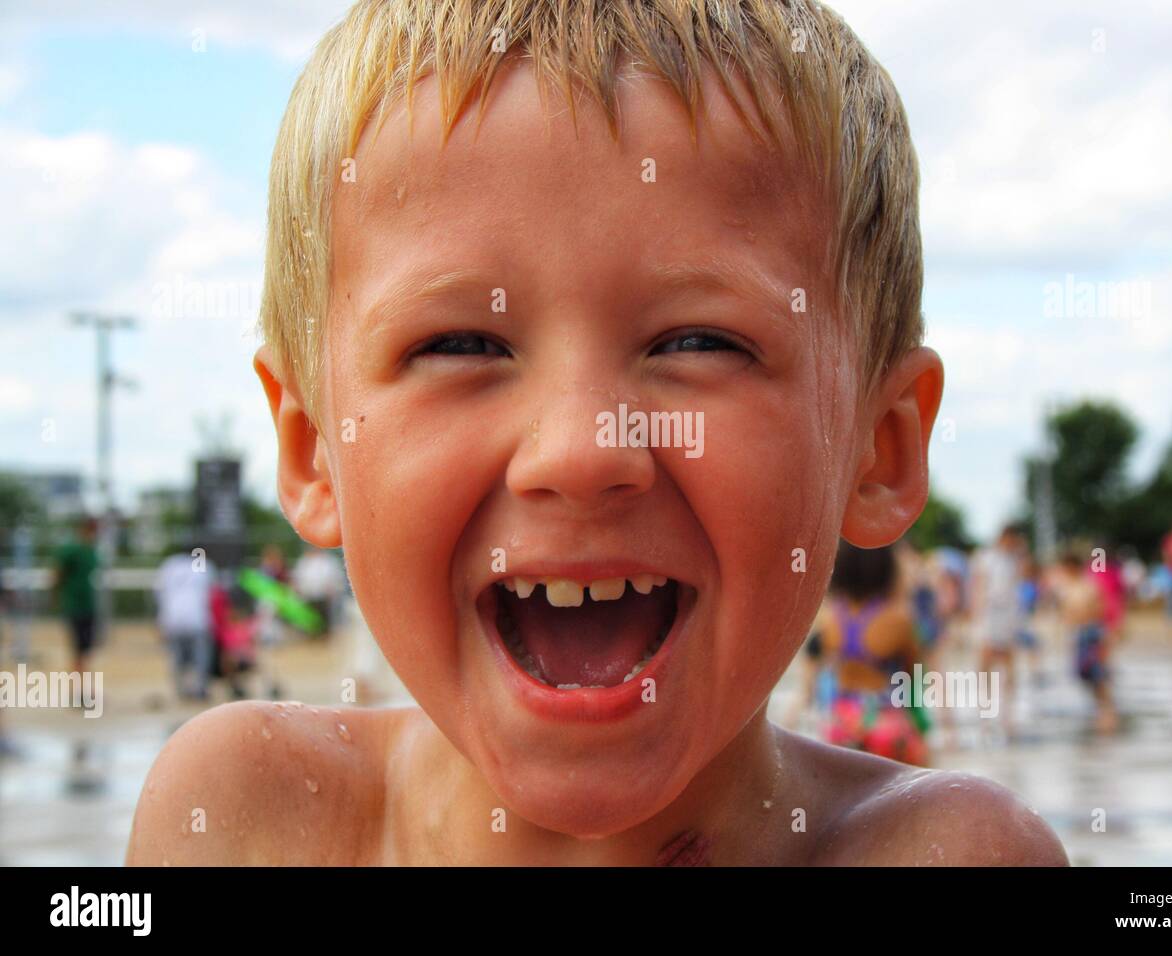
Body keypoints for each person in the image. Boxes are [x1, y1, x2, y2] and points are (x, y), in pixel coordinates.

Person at [128, 0, 1065, 867]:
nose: (580, 449)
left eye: (701, 342)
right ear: (312, 451)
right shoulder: (251, 820)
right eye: (461, 344)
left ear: (881, 448)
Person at [802, 542, 928, 765]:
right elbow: (913, 677)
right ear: (887, 568)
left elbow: (816, 666)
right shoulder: (899, 619)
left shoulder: (828, 618)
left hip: (842, 722)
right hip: (885, 721)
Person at [967, 525, 1025, 734]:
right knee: (985, 667)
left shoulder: (1013, 559)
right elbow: (978, 588)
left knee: (1008, 666)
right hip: (989, 616)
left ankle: (1007, 714)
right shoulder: (986, 557)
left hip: (1007, 616)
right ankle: (986, 713)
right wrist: (977, 618)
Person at [1057, 550, 1118, 735]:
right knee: (1084, 675)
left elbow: (1100, 609)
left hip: (1091, 634)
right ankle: (1103, 710)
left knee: (1098, 675)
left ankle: (1107, 713)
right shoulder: (1068, 587)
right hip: (1079, 635)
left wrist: (1106, 636)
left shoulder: (1088, 585)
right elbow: (1066, 614)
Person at [154, 548, 215, 702]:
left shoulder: (170, 565)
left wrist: (160, 619)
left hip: (173, 618)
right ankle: (199, 689)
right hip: (197, 618)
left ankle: (181, 691)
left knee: (177, 658)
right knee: (200, 657)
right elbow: (212, 594)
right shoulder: (204, 566)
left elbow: (159, 592)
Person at [52, 515, 98, 678]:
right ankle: (77, 689)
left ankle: (83, 688)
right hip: (74, 606)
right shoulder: (71, 549)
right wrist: (56, 597)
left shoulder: (92, 551)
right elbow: (57, 574)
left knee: (86, 651)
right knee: (78, 651)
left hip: (88, 606)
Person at [291, 547, 346, 638]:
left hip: (323, 598)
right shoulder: (304, 562)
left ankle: (324, 637)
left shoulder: (329, 561)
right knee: (310, 622)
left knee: (324, 624)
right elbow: (297, 578)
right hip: (308, 598)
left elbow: (337, 579)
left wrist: (332, 590)